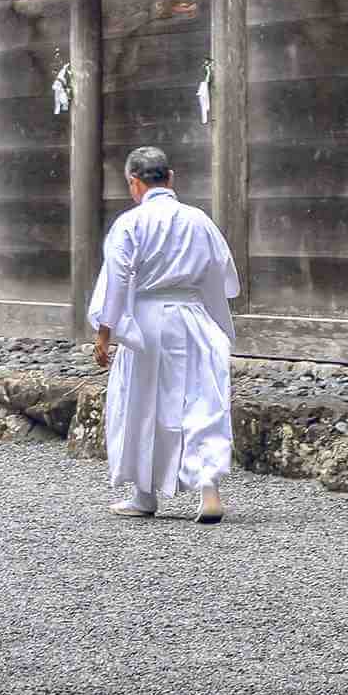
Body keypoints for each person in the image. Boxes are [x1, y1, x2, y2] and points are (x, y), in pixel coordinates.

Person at [89, 146, 238, 521]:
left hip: (146, 322)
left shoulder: (130, 223)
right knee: (202, 400)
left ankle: (144, 494)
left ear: (133, 183)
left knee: (141, 403)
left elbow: (117, 280)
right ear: (170, 178)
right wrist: (215, 320)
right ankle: (208, 489)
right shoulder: (198, 220)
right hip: (192, 317)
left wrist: (105, 333)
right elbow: (219, 272)